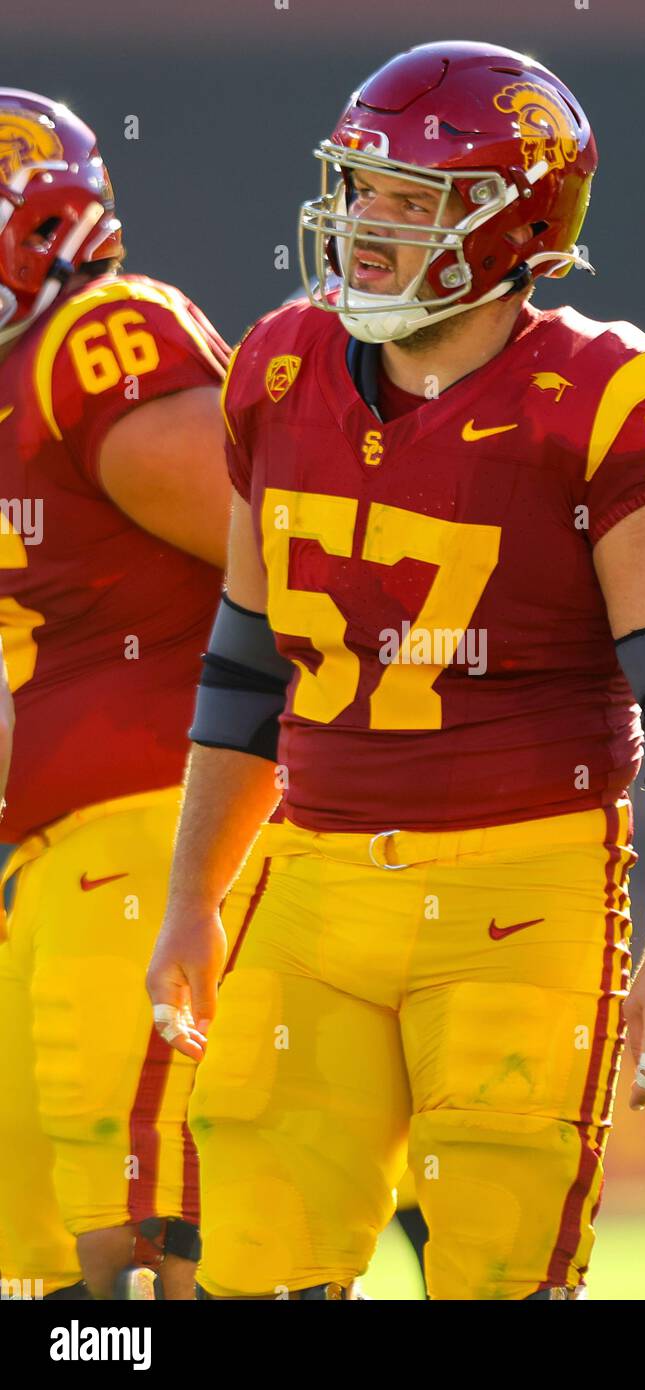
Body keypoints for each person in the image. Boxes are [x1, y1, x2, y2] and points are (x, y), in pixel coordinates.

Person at [148, 40, 645, 1301]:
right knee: (249, 1266)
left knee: (494, 1271)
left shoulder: (602, 394)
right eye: (360, 188)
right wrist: (192, 893)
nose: (366, 224)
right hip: (311, 870)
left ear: (509, 223)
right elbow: (246, 667)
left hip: (520, 883)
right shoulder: (276, 364)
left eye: (410, 201)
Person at [0, 89, 239, 1300]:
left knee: (141, 1243)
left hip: (150, 820)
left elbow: (294, 567)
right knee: (43, 1261)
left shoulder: (100, 342)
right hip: (42, 855)